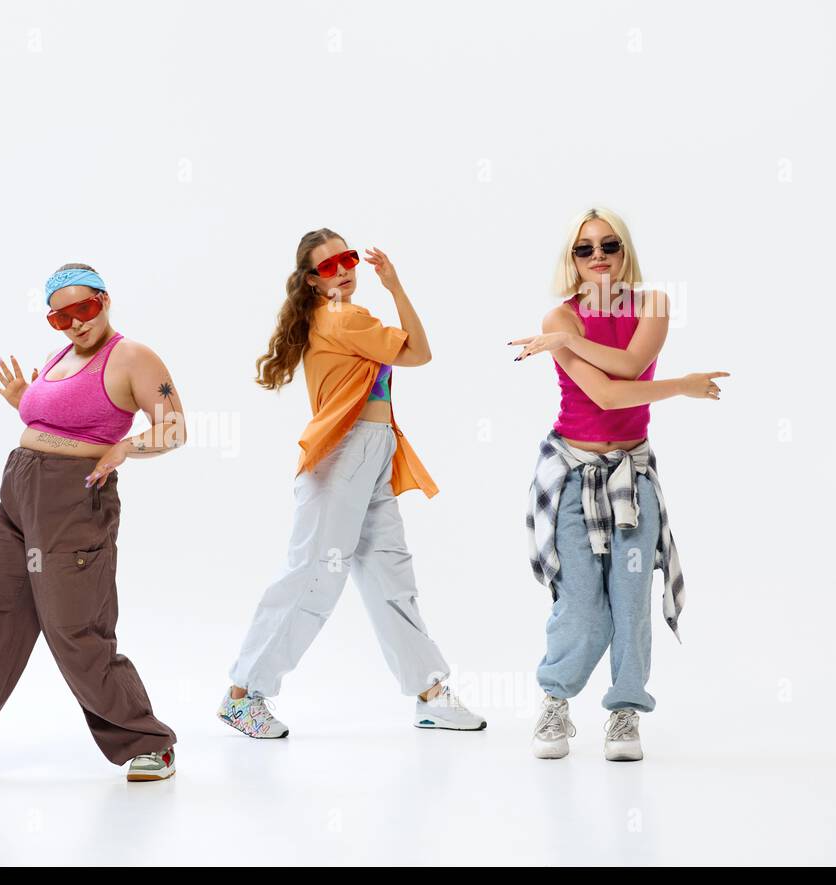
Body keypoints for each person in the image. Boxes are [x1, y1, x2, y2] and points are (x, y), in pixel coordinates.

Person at [0, 264, 183, 786]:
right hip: (17, 499)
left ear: (104, 300)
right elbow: (50, 422)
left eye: (83, 310)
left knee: (76, 630)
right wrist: (22, 399)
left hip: (75, 501)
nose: (74, 324)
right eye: (60, 317)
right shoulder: (59, 357)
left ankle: (148, 744)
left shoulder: (132, 356)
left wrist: (127, 447)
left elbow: (174, 428)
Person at [220, 228, 487, 739]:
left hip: (373, 446)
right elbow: (420, 352)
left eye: (347, 258)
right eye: (328, 266)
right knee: (312, 573)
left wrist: (391, 287)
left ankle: (429, 693)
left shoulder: (334, 317)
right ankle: (243, 694)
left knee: (390, 572)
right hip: (346, 453)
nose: (342, 269)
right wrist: (396, 288)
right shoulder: (344, 316)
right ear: (312, 280)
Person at [509, 207, 728, 760]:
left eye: (609, 245)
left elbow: (630, 367)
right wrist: (681, 386)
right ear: (573, 259)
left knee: (631, 599)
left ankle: (625, 713)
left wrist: (565, 345)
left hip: (633, 474)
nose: (598, 256)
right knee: (581, 603)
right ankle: (556, 702)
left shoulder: (652, 305)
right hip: (572, 474)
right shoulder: (559, 318)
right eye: (585, 249)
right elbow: (605, 396)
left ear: (625, 250)